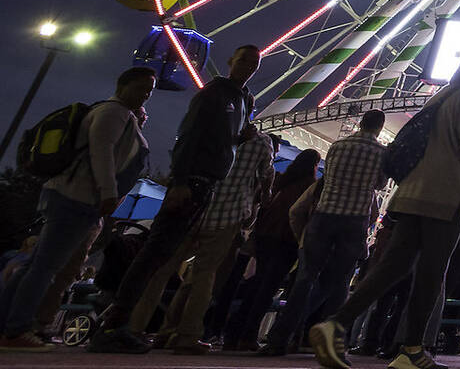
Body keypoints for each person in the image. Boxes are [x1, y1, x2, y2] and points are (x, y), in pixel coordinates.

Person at [310, 48, 460, 369]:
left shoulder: (440, 97)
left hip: (412, 194)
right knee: (430, 274)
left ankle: (336, 323)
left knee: (392, 267)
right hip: (444, 197)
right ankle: (411, 348)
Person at [93, 44, 260, 354]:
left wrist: (239, 138)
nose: (250, 65)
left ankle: (125, 323)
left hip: (208, 183)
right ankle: (116, 323)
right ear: (230, 61)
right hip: (192, 181)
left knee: (161, 255)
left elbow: (217, 139)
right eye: (244, 60)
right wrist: (180, 180)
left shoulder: (241, 100)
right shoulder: (214, 94)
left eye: (255, 62)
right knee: (156, 255)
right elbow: (189, 134)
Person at [0, 67, 155, 349]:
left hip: (71, 196)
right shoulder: (113, 112)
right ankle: (16, 329)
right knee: (45, 267)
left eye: (150, 90)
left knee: (37, 264)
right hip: (78, 198)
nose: (146, 94)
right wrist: (108, 193)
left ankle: (10, 325)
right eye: (142, 87)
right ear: (123, 85)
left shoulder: (117, 114)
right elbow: (102, 151)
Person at [132, 122, 275, 353]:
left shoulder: (216, 130)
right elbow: (266, 175)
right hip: (228, 214)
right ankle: (187, 333)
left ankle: (139, 327)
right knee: (204, 275)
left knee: (163, 269)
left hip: (196, 206)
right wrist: (260, 199)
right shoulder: (262, 142)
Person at [266, 109, 387, 355]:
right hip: (354, 219)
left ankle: (279, 338)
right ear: (379, 128)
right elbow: (379, 184)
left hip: (324, 215)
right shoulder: (382, 153)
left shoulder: (338, 146)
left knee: (304, 279)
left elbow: (328, 176)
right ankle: (330, 340)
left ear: (361, 123)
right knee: (340, 283)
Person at [225, 147, 320, 350]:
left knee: (257, 283)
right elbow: (299, 213)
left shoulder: (282, 180)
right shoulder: (309, 186)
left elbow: (265, 203)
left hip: (265, 235)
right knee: (268, 288)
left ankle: (233, 332)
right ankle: (248, 334)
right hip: (286, 238)